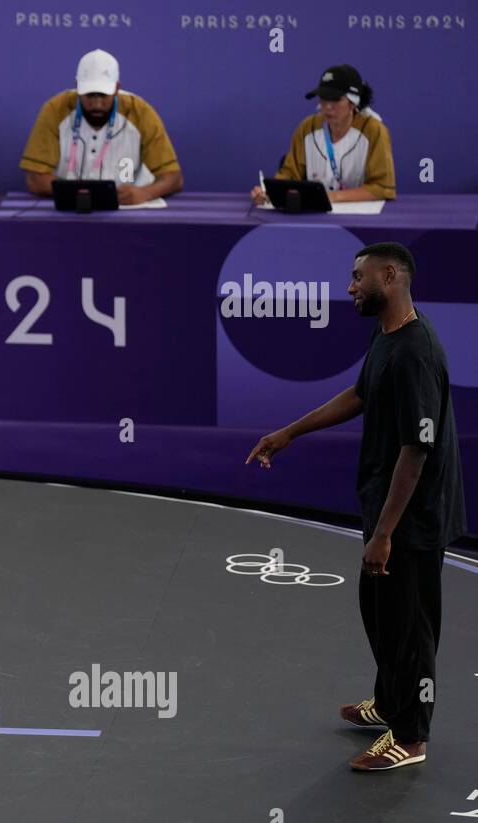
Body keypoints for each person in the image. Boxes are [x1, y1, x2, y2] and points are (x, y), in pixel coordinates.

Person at [246, 243, 466, 771]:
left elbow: (416, 450)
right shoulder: (389, 335)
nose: (349, 288)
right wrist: (289, 433)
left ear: (389, 276)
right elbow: (361, 393)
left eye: (357, 278)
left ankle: (411, 738)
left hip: (412, 517)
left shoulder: (416, 353)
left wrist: (385, 533)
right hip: (387, 506)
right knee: (380, 613)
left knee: (409, 628)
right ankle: (391, 703)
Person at [20, 49, 182, 205]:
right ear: (77, 87)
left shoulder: (140, 113)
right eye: (89, 95)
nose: (96, 104)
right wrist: (82, 194)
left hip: (128, 207)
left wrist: (145, 193)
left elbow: (173, 178)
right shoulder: (55, 110)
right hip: (70, 207)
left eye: (103, 95)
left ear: (117, 88)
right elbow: (35, 178)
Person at [251, 64, 395, 205]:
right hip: (312, 215)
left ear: (353, 102)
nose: (327, 106)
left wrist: (332, 197)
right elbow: (289, 175)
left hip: (359, 220)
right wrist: (268, 193)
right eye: (323, 98)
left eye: (335, 99)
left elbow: (382, 188)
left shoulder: (374, 131)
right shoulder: (306, 128)